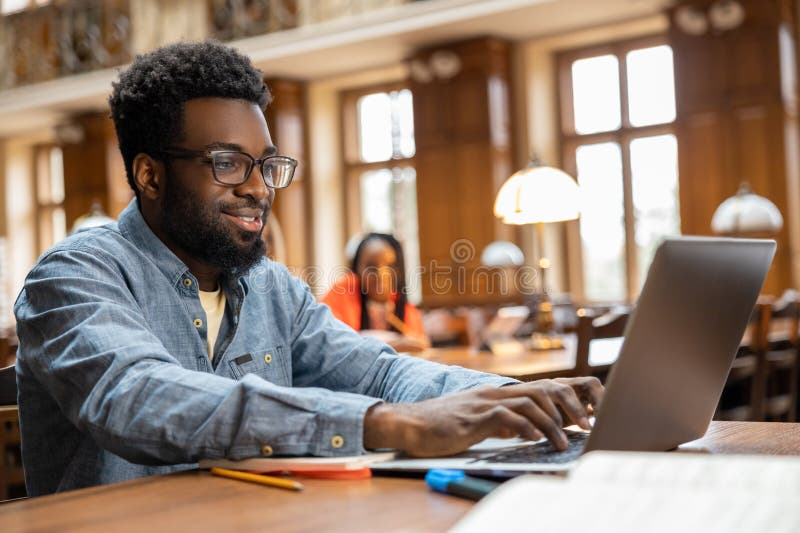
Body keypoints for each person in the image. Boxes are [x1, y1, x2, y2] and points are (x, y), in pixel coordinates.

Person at [13, 40, 603, 496]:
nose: (257, 189)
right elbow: (137, 397)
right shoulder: (72, 278)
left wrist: (521, 399)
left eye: (266, 165)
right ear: (149, 175)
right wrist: (393, 425)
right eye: (227, 164)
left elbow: (381, 375)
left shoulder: (269, 286)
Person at [321, 233, 430, 352]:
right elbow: (332, 344)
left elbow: (419, 346)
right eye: (370, 267)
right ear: (356, 269)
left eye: (390, 266)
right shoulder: (339, 297)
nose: (380, 274)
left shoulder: (407, 311)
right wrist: (393, 345)